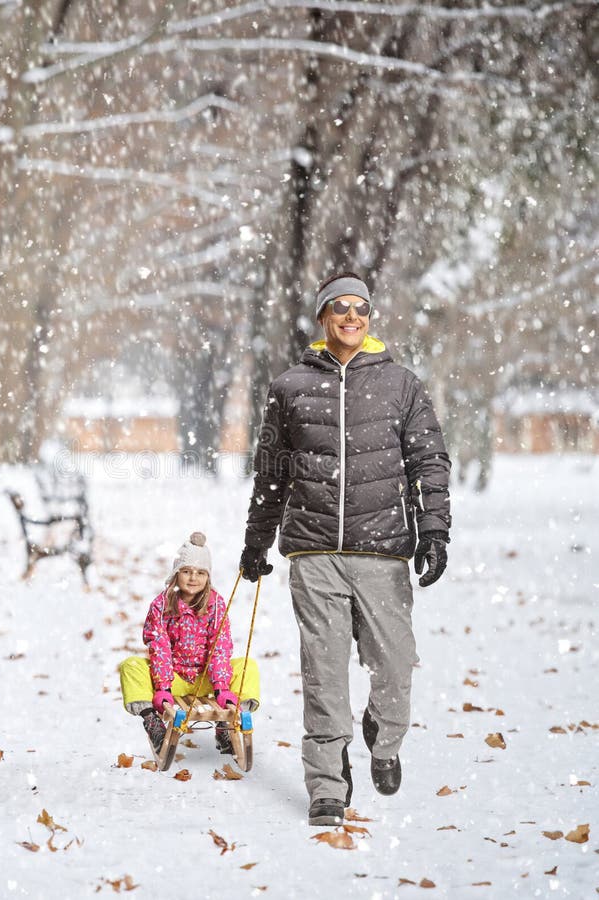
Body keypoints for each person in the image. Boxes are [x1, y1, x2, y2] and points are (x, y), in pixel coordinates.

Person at [239, 271, 451, 826]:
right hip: (313, 555)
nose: (352, 316)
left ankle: (384, 734)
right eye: (340, 307)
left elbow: (428, 460)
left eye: (361, 307)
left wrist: (433, 531)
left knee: (396, 664)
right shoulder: (289, 388)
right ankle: (327, 784)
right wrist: (256, 541)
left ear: (370, 318)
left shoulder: (401, 385)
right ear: (322, 317)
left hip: (382, 551)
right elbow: (272, 474)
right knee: (324, 673)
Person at [120, 532, 260, 756]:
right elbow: (160, 646)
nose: (193, 578)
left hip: (208, 678)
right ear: (176, 574)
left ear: (208, 576)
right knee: (131, 666)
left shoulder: (215, 604)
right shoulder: (162, 605)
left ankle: (228, 724)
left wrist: (221, 687)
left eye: (200, 573)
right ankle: (151, 721)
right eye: (186, 571)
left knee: (247, 667)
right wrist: (164, 687)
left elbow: (220, 646)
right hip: (173, 678)